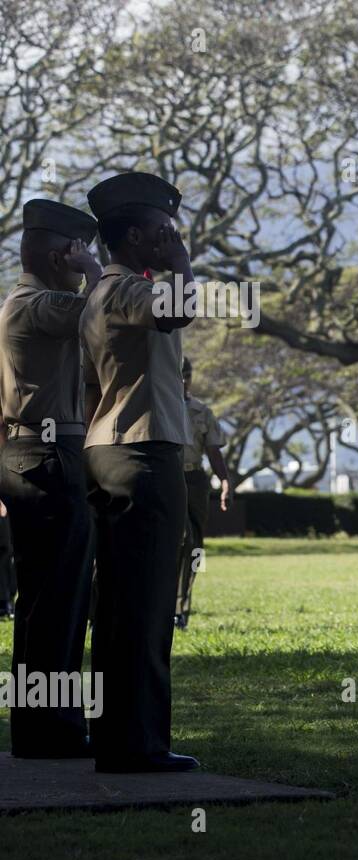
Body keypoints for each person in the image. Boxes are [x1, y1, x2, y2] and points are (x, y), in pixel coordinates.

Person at [82, 171, 200, 773]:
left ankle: (119, 739)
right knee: (146, 606)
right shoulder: (125, 288)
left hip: (114, 449)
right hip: (142, 453)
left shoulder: (110, 291)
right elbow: (180, 312)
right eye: (161, 231)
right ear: (132, 238)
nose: (170, 238)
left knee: (123, 605)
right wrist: (182, 261)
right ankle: (137, 745)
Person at [0, 199, 100, 757]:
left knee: (44, 599)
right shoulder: (36, 305)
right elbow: (99, 315)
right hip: (51, 451)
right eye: (75, 250)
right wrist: (93, 274)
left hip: (28, 452)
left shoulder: (15, 304)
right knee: (59, 600)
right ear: (56, 252)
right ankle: (52, 730)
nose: (80, 260)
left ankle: (41, 729)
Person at [174, 356, 230, 630]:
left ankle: (181, 609)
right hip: (167, 477)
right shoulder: (157, 407)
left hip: (195, 479)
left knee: (194, 545)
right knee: (178, 539)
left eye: (187, 375)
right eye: (178, 374)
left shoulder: (201, 411)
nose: (183, 380)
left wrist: (225, 481)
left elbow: (214, 450)